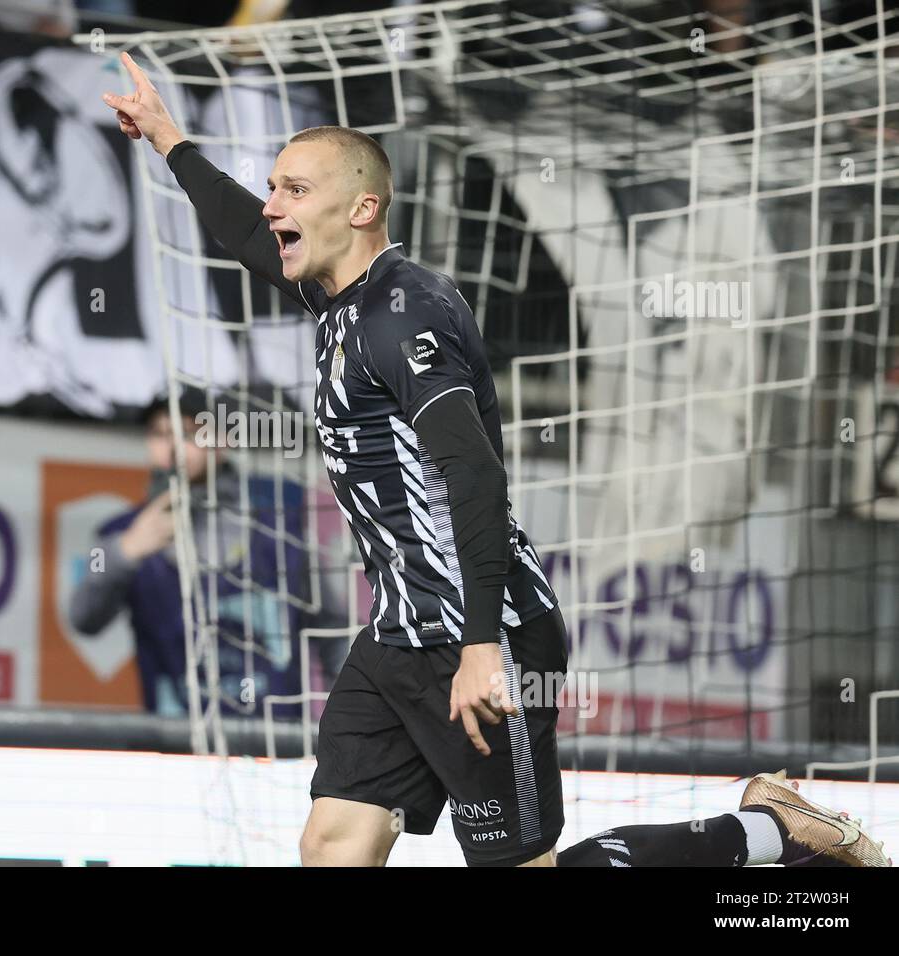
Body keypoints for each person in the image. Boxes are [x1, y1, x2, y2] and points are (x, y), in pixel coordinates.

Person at [100, 52, 890, 868]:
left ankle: (767, 830)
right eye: (273, 187)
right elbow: (242, 234)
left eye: (294, 190)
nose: (272, 207)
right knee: (333, 846)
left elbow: (473, 475)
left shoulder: (406, 320)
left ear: (363, 207)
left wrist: (481, 646)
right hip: (399, 634)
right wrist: (168, 140)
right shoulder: (338, 296)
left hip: (485, 634)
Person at [70, 387, 348, 717]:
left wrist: (354, 719)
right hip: (175, 745)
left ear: (221, 442)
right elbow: (83, 618)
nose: (172, 447)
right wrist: (125, 552)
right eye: (160, 434)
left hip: (276, 739)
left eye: (188, 433)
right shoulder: (120, 534)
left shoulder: (277, 529)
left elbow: (334, 636)